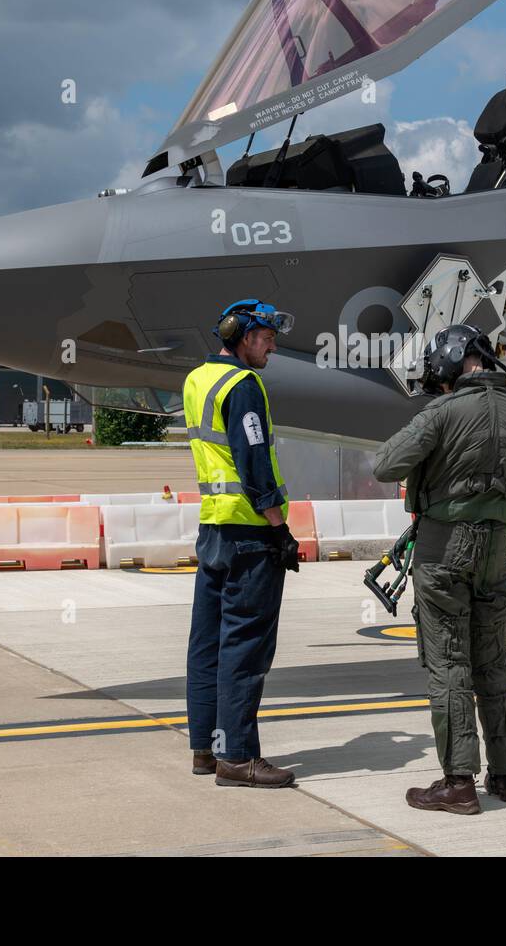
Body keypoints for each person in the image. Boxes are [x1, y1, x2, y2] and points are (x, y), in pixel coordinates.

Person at [372, 324, 506, 814]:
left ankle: (458, 782)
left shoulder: (442, 412)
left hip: (443, 551)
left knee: (449, 665)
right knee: (492, 663)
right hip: (495, 551)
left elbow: (385, 465)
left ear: (450, 359)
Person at [183, 298, 302, 788]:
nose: (273, 345)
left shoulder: (197, 380)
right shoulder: (244, 385)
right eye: (267, 336)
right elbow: (253, 462)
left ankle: (205, 749)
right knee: (245, 646)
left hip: (213, 527)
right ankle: (237, 757)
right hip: (251, 534)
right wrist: (280, 529)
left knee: (207, 643)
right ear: (244, 336)